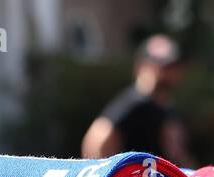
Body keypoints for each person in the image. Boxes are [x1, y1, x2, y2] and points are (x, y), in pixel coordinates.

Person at [82, 34, 192, 167]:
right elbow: (97, 140)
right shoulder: (134, 103)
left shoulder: (167, 108)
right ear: (142, 66)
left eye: (173, 66)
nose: (169, 73)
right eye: (163, 66)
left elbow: (177, 152)